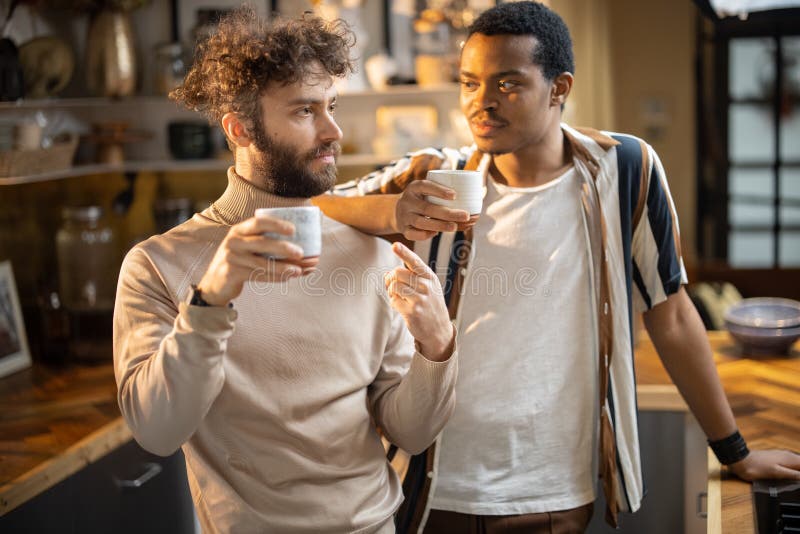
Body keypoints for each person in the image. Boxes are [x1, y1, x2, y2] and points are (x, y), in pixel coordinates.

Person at [313, 2, 800, 533]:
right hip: (430, 481)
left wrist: (733, 450)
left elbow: (673, 314)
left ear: (559, 87)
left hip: (550, 490)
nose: (483, 103)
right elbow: (309, 208)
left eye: (508, 84)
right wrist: (392, 211)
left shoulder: (627, 169)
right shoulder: (435, 174)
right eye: (470, 83)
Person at [113, 9, 458, 533]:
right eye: (305, 111)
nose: (333, 130)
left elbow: (411, 432)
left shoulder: (371, 253)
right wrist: (211, 299)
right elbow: (158, 432)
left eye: (332, 106)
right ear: (240, 127)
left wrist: (436, 350)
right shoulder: (157, 266)